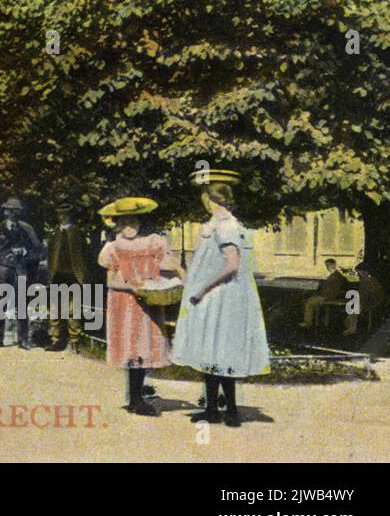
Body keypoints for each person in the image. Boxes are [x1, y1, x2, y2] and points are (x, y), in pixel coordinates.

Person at [172, 171, 270, 428]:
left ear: (209, 199)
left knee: (218, 348)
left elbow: (232, 265)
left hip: (221, 296)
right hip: (224, 296)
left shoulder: (225, 226)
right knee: (216, 349)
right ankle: (217, 409)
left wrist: (202, 288)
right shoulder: (223, 224)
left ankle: (227, 410)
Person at [97, 197, 181, 416]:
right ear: (117, 222)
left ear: (142, 220)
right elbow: (111, 279)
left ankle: (137, 396)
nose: (129, 225)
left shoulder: (154, 242)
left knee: (145, 345)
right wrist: (136, 286)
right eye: (124, 221)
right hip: (124, 303)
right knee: (131, 348)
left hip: (149, 303)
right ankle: (135, 399)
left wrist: (175, 276)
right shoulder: (113, 247)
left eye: (133, 220)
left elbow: (169, 266)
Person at [0, 197, 46, 349]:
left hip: (20, 269)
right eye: (8, 210)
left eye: (13, 211)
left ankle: (23, 340)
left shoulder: (26, 229)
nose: (10, 213)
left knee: (22, 304)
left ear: (17, 213)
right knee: (1, 304)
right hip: (3, 269)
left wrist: (25, 252)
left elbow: (38, 250)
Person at [45, 203, 89, 352]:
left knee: (73, 310)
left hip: (73, 276)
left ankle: (74, 341)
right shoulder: (55, 233)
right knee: (55, 309)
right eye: (60, 214)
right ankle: (55, 339)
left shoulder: (77, 233)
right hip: (57, 275)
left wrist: (83, 275)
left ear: (70, 215)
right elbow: (50, 254)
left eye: (65, 214)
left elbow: (84, 256)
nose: (62, 217)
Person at [300, 259, 349, 332]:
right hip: (329, 296)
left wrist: (319, 294)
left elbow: (330, 291)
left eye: (329, 265)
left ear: (333, 265)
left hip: (329, 297)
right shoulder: (336, 275)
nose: (327, 267)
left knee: (309, 302)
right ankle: (316, 321)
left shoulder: (335, 276)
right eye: (327, 265)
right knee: (309, 300)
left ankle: (308, 323)